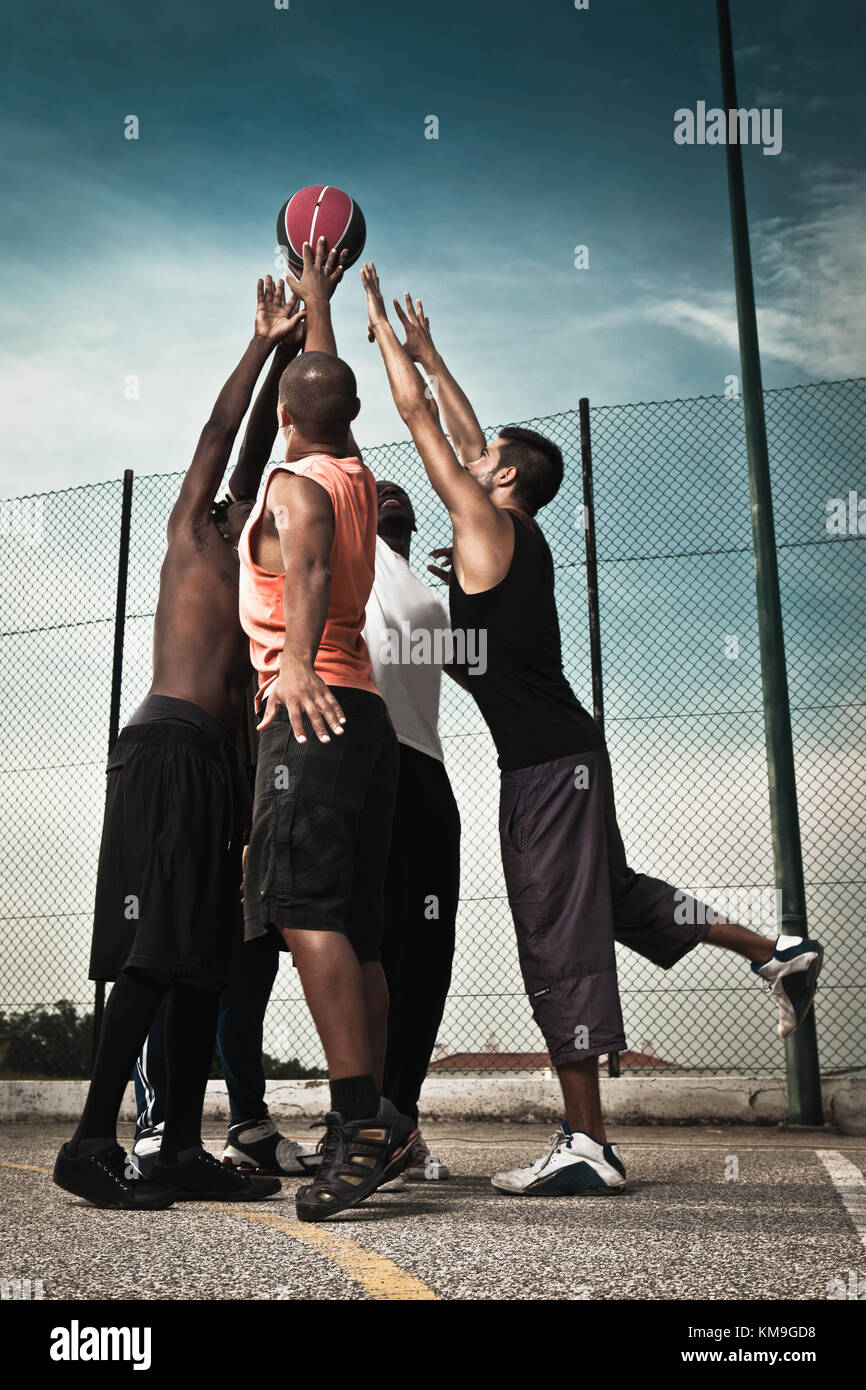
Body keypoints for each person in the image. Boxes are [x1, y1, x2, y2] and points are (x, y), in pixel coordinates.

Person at [360, 263, 825, 1198]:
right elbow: (459, 431)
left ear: (503, 477)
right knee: (613, 899)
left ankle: (589, 1141)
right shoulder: (509, 534)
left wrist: (376, 322)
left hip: (545, 768)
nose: (470, 455)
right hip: (570, 752)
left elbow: (421, 424)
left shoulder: (490, 526)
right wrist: (435, 356)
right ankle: (772, 952)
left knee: (556, 935)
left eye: (486, 455)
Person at [53, 276, 307, 1210]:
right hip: (165, 751)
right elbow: (222, 439)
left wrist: (296, 356)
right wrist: (265, 343)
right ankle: (90, 1142)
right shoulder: (195, 539)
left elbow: (268, 445)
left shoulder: (257, 575)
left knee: (207, 962)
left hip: (218, 774)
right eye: (248, 502)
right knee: (154, 955)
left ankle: (181, 1151)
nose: (258, 507)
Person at [238, 238, 416, 1221]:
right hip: (368, 717)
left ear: (280, 416)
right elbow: (324, 387)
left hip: (311, 704)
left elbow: (302, 564)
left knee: (302, 910)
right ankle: (372, 1119)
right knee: (359, 929)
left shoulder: (294, 485)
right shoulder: (353, 468)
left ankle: (360, 1119)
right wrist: (318, 300)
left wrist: (298, 661)